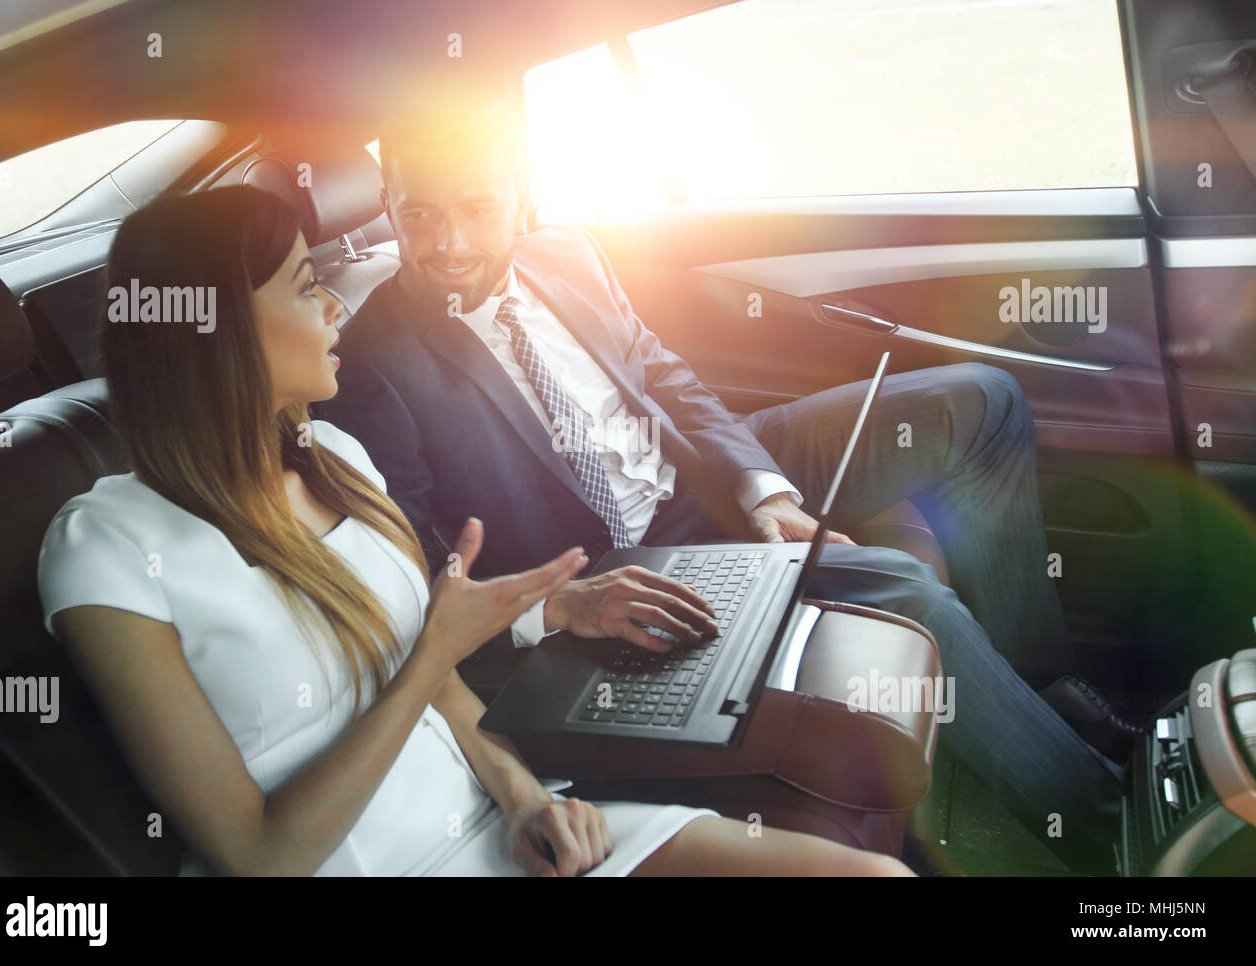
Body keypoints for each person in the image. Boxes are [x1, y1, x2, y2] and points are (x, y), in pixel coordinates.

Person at [311, 92, 1132, 874]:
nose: (449, 241)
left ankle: (1047, 688)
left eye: (477, 208)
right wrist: (559, 604)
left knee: (979, 404)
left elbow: (665, 377)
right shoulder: (371, 365)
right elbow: (418, 567)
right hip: (623, 556)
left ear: (520, 194)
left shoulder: (564, 253)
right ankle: (1114, 824)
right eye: (419, 214)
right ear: (389, 198)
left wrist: (763, 491)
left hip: (699, 473)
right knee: (908, 596)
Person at [35, 185, 912, 877]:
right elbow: (260, 856)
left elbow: (444, 689)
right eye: (308, 289)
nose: (336, 309)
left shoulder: (333, 455)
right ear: (216, 329)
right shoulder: (105, 544)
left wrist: (526, 798)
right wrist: (436, 653)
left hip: (500, 826)